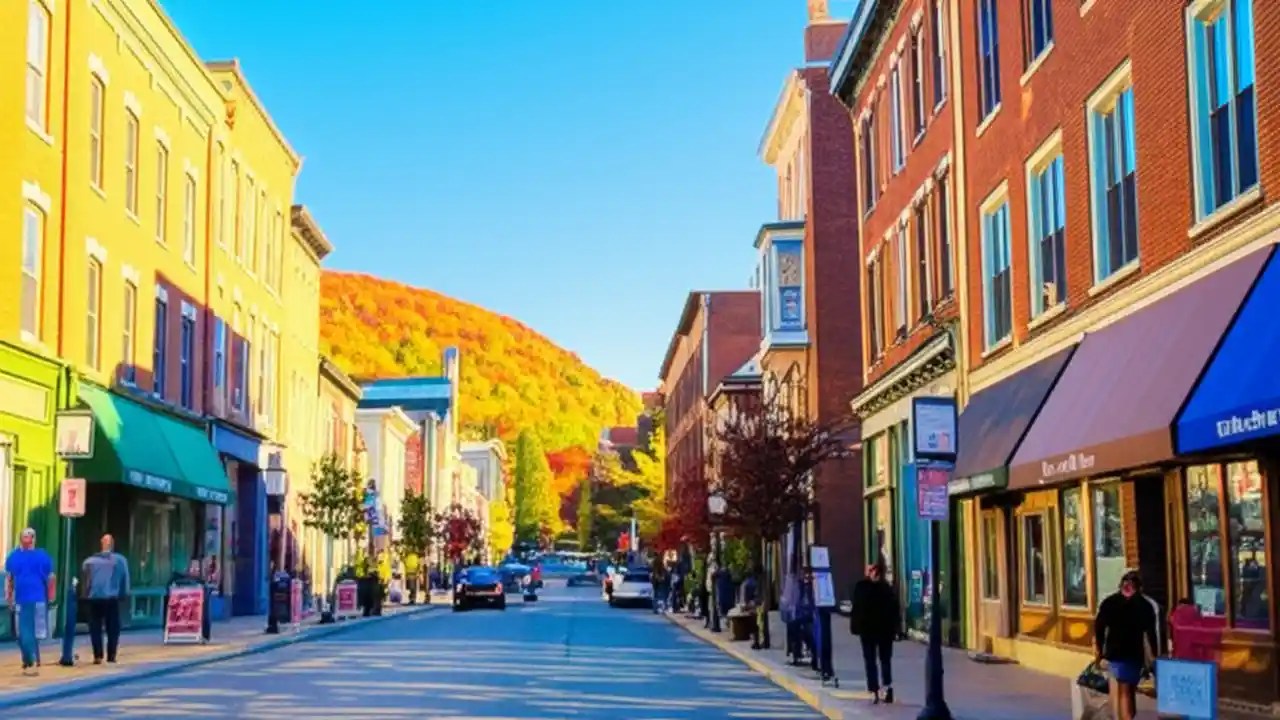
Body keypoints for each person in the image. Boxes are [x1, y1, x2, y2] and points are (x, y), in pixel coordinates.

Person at [1095, 569, 1158, 720]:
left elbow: (1099, 627)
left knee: (1123, 689)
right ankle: (1128, 716)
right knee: (1128, 688)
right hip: (1135, 654)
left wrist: (1099, 650)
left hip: (1115, 652)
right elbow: (1151, 633)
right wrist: (1155, 654)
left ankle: (1125, 716)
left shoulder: (1109, 602)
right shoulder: (1144, 605)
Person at [4, 528, 56, 676]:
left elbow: (9, 579)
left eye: (28, 537)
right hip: (37, 598)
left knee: (23, 632)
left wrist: (8, 597)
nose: (27, 539)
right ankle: (31, 659)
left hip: (25, 599)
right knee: (33, 632)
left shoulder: (14, 557)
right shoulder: (42, 556)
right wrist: (51, 597)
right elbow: (51, 578)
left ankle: (30, 660)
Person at [850, 561, 899, 704]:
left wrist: (855, 627)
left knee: (875, 660)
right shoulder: (885, 589)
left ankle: (879, 689)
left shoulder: (863, 588)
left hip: (873, 630)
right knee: (880, 660)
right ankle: (881, 688)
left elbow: (857, 609)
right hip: (879, 631)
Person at [81, 534, 131, 664]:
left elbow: (85, 581)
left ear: (101, 544)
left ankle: (98, 655)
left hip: (94, 598)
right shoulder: (120, 560)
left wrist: (84, 596)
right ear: (112, 544)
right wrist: (124, 594)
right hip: (111, 598)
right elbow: (125, 579)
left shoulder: (89, 561)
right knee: (113, 627)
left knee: (95, 627)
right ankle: (111, 655)